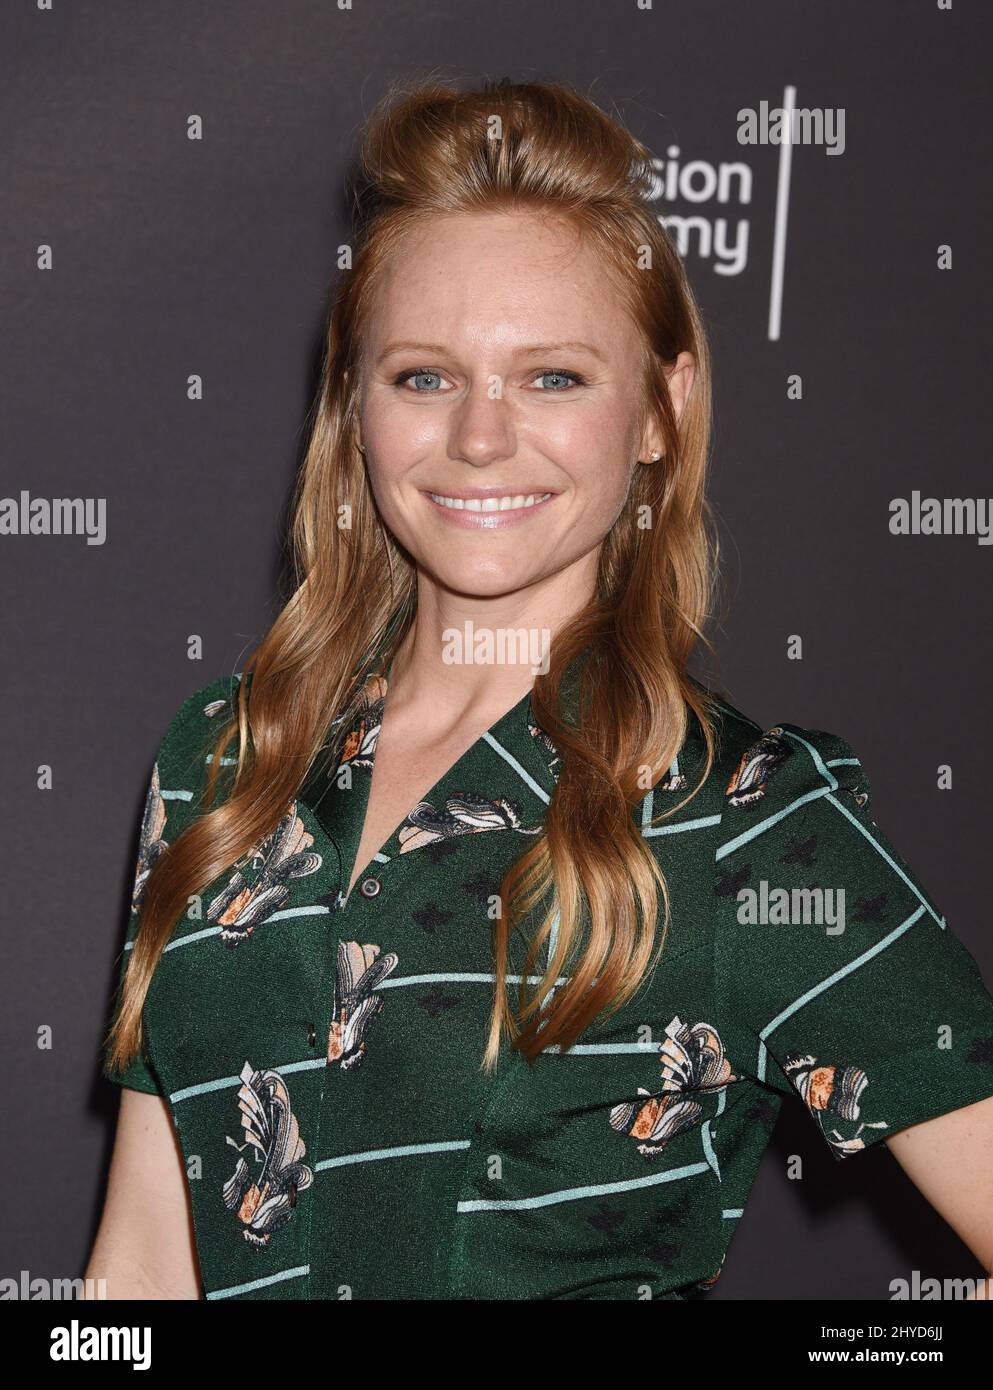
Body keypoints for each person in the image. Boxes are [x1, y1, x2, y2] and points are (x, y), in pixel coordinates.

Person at [87, 77, 993, 1301]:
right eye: (423, 376)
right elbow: (141, 1271)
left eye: (553, 377)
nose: (477, 436)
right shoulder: (223, 758)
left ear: (661, 411)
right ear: (355, 403)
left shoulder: (745, 818)